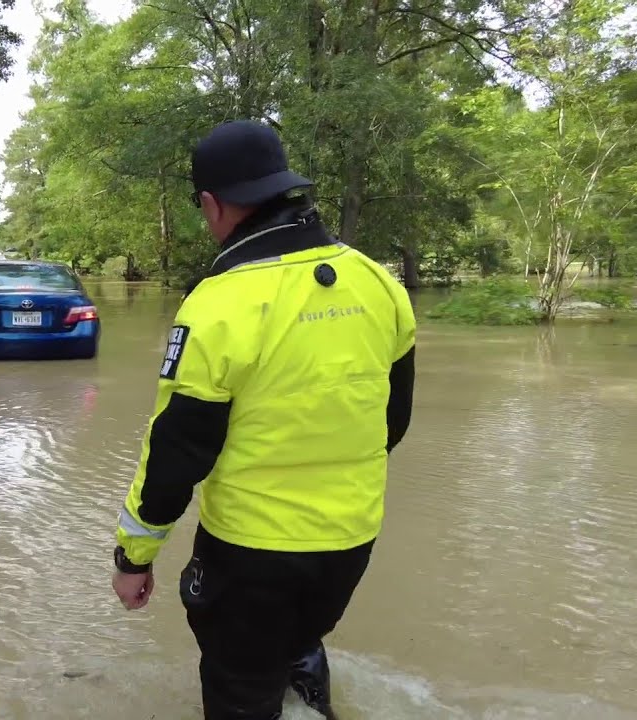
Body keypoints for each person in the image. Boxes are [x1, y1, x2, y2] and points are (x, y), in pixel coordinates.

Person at [110, 120, 416, 720]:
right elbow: (391, 423)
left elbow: (177, 452)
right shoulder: (378, 282)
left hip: (251, 556)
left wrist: (133, 558)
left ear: (211, 204)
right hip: (351, 543)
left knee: (241, 694)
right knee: (300, 642)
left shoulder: (218, 303)